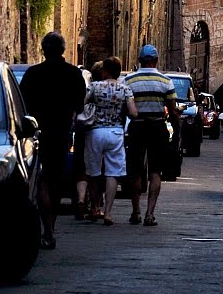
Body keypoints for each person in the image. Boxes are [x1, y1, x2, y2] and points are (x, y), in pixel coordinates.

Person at [19, 32, 87, 249]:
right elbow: (79, 107)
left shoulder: (32, 74)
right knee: (54, 181)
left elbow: (22, 105)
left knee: (41, 180)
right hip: (60, 133)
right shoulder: (73, 74)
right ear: (63, 50)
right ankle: (50, 229)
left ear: (43, 50)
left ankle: (46, 228)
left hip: (37, 133)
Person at [125, 44, 180, 226]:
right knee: (156, 171)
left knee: (135, 170)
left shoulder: (129, 81)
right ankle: (150, 214)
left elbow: (125, 107)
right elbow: (172, 110)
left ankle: (136, 211)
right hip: (157, 127)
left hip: (137, 127)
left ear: (139, 61)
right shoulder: (166, 82)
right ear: (156, 61)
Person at [83, 57, 138, 225]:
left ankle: (95, 207)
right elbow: (133, 113)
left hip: (96, 132)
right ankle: (108, 213)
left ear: (104, 70)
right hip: (115, 132)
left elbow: (81, 104)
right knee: (113, 173)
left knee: (93, 172)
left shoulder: (94, 86)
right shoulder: (125, 89)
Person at [72, 65, 92, 221]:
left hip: (79, 131)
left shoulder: (91, 90)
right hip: (99, 134)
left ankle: (80, 199)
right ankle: (96, 205)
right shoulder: (76, 76)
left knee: (80, 168)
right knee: (96, 170)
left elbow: (79, 108)